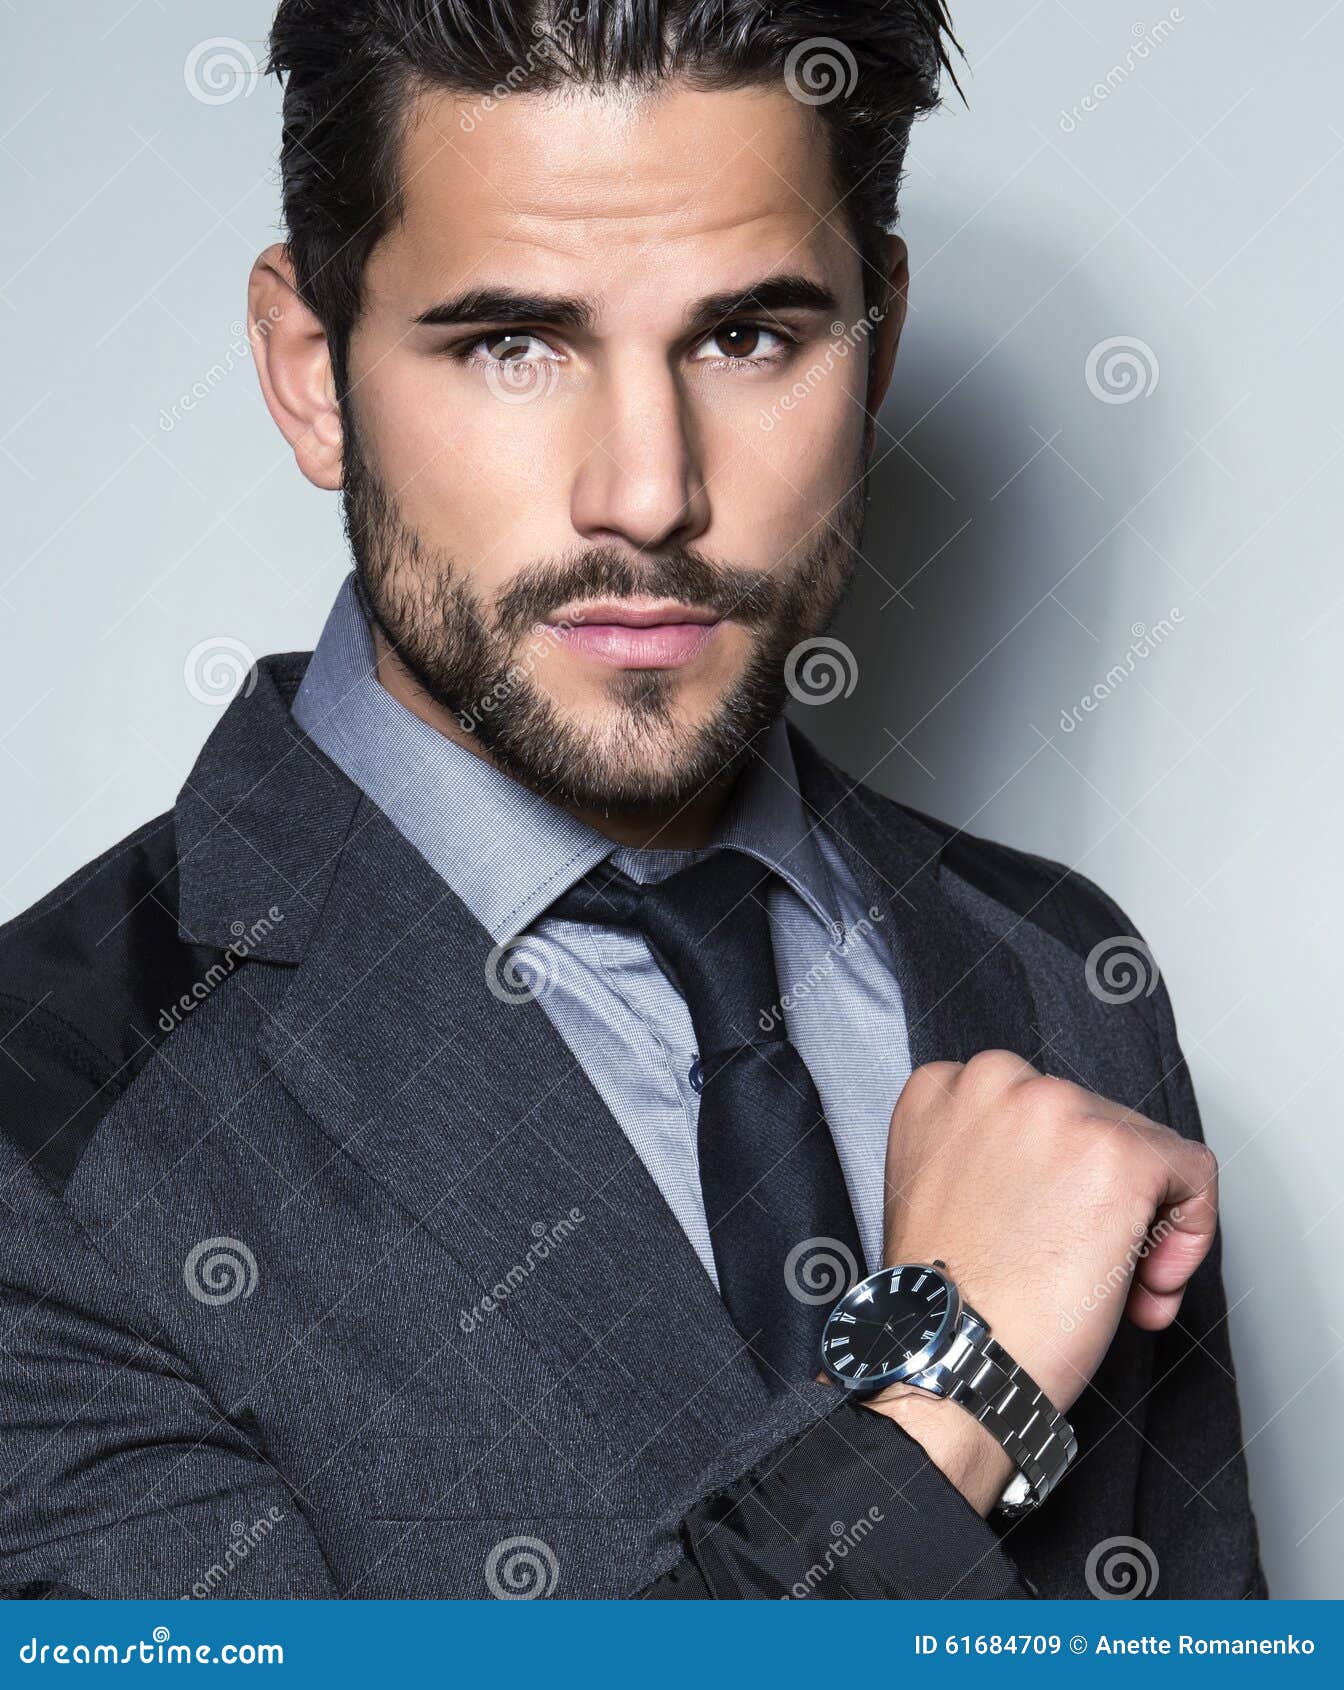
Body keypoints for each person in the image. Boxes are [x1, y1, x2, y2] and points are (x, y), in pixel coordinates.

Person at [0, 0, 1262, 1600]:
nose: (649, 492)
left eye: (748, 337)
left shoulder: (1054, 971)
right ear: (313, 371)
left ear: (875, 338)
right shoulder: (47, 1120)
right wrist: (943, 1395)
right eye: (513, 343)